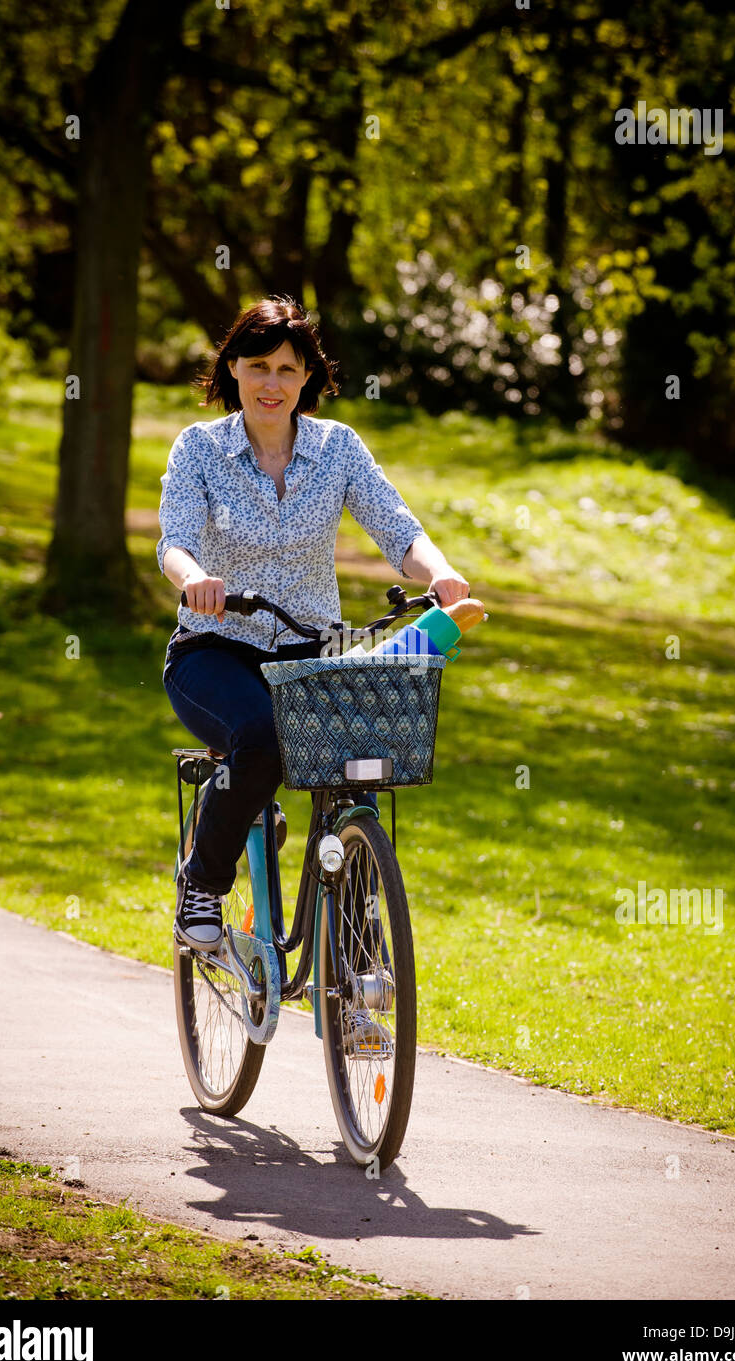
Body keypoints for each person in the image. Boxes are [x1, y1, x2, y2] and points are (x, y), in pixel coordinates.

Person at [158, 294, 470, 952]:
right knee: (262, 738)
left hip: (309, 654)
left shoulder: (337, 449)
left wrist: (438, 572)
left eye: (288, 369)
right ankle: (202, 882)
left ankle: (358, 962)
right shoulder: (199, 449)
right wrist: (195, 581)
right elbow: (174, 543)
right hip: (214, 649)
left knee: (355, 774)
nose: (272, 383)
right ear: (233, 370)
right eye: (258, 366)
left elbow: (397, 528)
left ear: (308, 379)